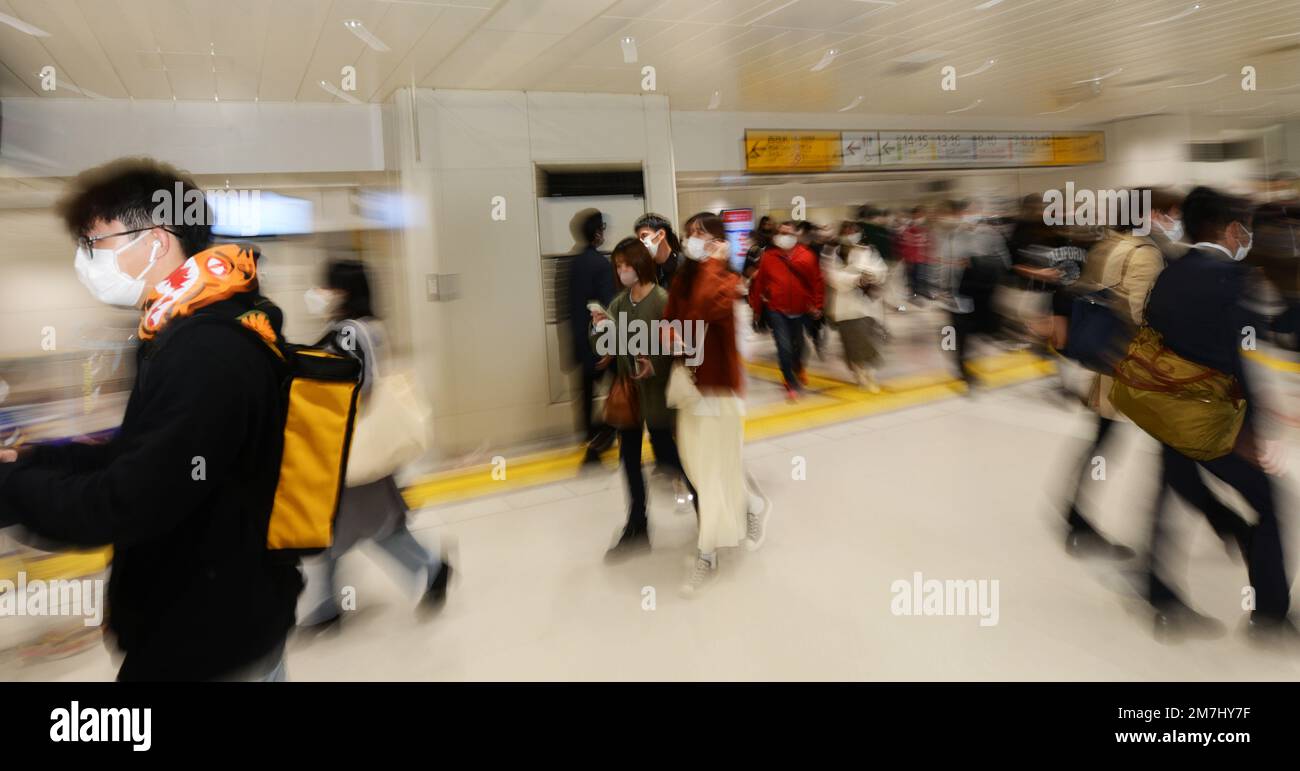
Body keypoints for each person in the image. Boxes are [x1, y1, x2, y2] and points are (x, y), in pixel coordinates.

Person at [0, 157, 300, 681]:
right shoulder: (184, 328)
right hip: (213, 624)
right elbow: (142, 455)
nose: (84, 260)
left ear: (156, 242)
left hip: (208, 646)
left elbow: (128, 503)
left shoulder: (206, 348)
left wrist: (12, 486)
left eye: (95, 244)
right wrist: (38, 460)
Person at [1141, 186, 1295, 644]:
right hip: (1219, 421)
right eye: (1241, 228)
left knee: (1170, 496)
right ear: (1229, 229)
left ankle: (1162, 600)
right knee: (1268, 506)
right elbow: (1242, 354)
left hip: (1169, 413)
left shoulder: (1166, 276)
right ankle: (1269, 616)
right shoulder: (1233, 279)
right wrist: (1253, 429)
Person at [298, 259, 451, 632]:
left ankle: (428, 568)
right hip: (360, 450)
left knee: (359, 525)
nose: (320, 294)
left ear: (343, 291)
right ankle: (328, 605)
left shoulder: (349, 331)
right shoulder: (367, 326)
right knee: (355, 525)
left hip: (352, 449)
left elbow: (359, 387)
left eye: (327, 287)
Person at [663, 212, 771, 596]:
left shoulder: (724, 278)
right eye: (690, 233)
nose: (694, 239)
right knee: (699, 470)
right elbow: (672, 319)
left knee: (711, 476)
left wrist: (715, 262)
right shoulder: (684, 278)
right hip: (691, 389)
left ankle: (706, 556)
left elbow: (708, 310)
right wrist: (670, 337)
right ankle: (753, 505)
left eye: (703, 234)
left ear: (719, 241)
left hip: (718, 391)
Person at [593, 239, 697, 562]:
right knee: (629, 462)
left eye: (627, 264)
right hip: (630, 396)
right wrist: (602, 332)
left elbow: (684, 345)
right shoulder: (620, 303)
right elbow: (610, 346)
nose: (622, 271)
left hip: (659, 396)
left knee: (670, 458)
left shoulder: (663, 301)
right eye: (618, 266)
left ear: (641, 265)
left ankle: (710, 509)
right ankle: (637, 526)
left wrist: (655, 359)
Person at [748, 220, 825, 400]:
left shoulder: (806, 255)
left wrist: (818, 305)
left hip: (801, 309)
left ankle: (798, 366)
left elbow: (817, 282)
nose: (785, 237)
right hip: (777, 309)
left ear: (795, 235)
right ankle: (790, 382)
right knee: (784, 347)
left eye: (788, 233)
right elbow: (760, 284)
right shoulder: (769, 257)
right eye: (781, 233)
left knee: (801, 346)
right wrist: (757, 310)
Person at [567, 209, 616, 465]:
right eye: (603, 228)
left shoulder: (573, 263)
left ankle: (591, 439)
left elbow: (571, 309)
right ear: (597, 233)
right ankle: (600, 442)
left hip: (580, 344)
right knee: (620, 391)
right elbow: (605, 309)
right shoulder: (600, 265)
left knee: (586, 397)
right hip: (600, 344)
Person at [825, 220, 888, 391]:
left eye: (854, 231)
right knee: (852, 344)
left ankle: (869, 374)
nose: (851, 234)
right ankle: (860, 374)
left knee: (869, 341)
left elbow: (881, 269)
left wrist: (872, 276)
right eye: (847, 231)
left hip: (868, 307)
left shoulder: (868, 250)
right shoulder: (835, 253)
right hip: (847, 310)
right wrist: (855, 278)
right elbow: (833, 278)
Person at [635, 212, 685, 289]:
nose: (641, 243)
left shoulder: (685, 264)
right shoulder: (648, 270)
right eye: (639, 239)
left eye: (644, 236)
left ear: (661, 234)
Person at [897, 205, 932, 300]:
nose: (920, 217)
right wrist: (908, 261)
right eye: (918, 215)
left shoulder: (926, 229)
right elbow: (905, 246)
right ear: (913, 216)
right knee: (913, 280)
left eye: (922, 215)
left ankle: (922, 294)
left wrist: (928, 256)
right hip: (912, 260)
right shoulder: (908, 230)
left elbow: (928, 244)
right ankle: (913, 296)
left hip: (923, 259)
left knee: (923, 278)